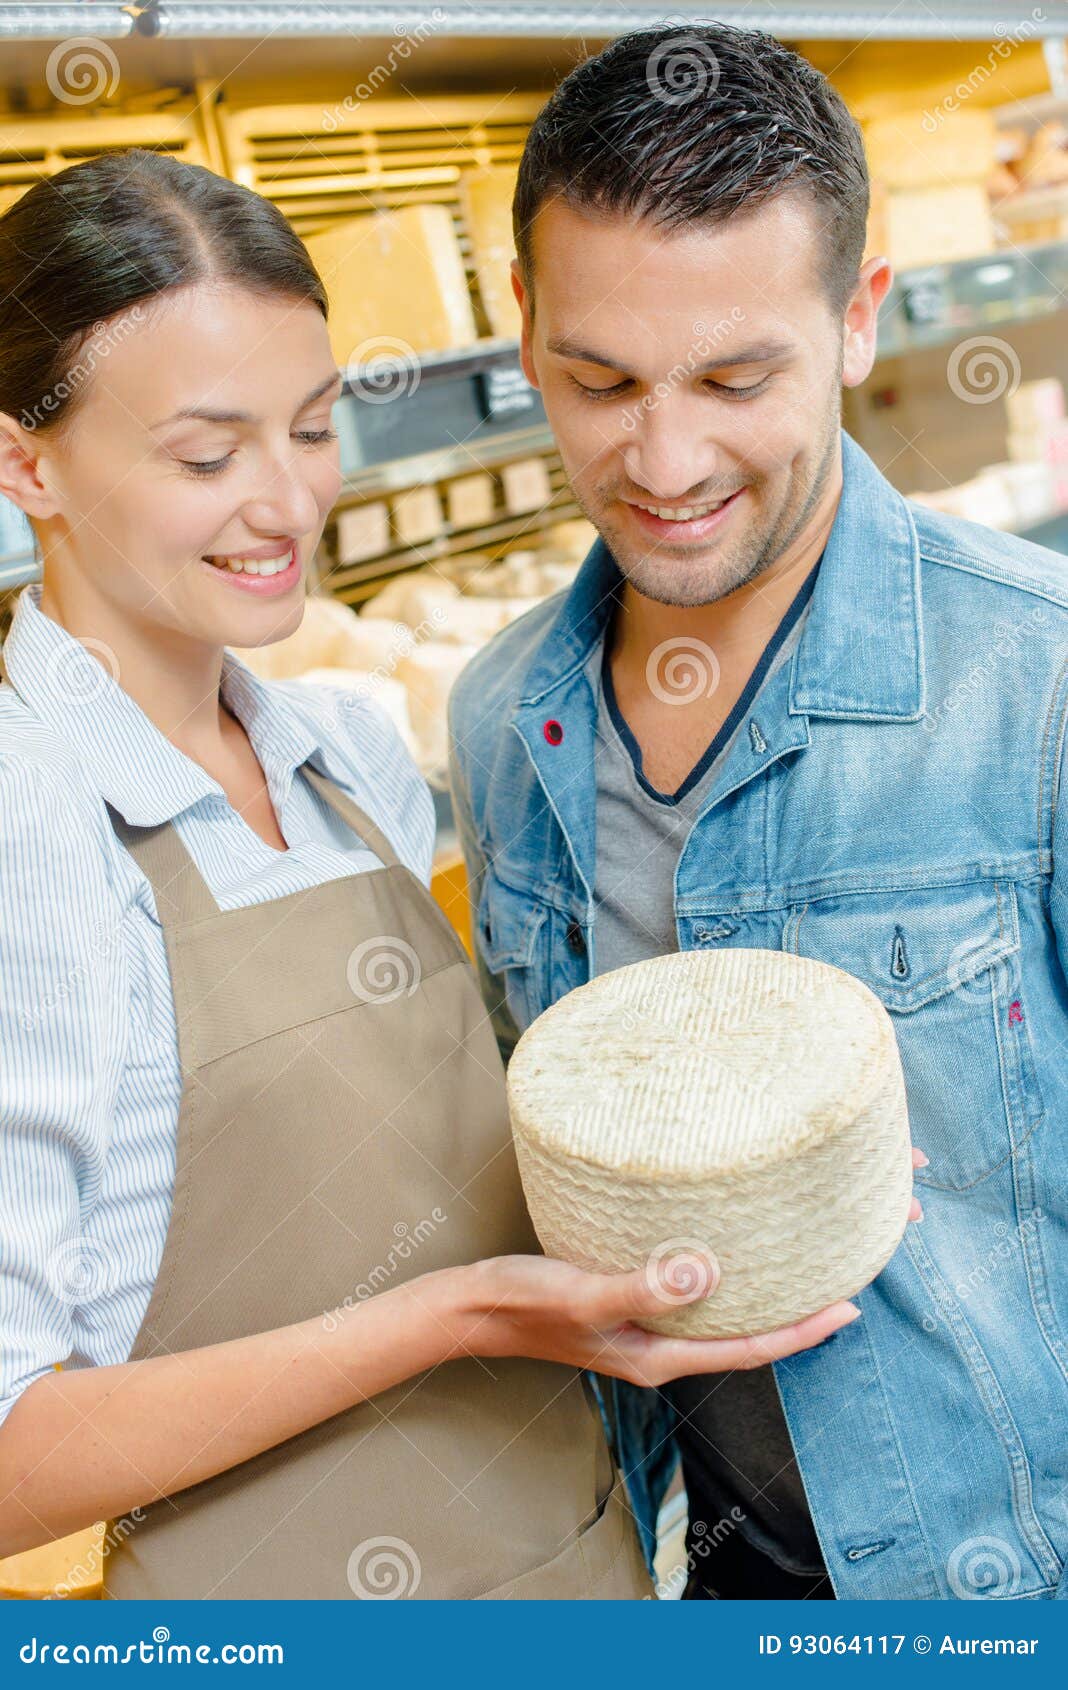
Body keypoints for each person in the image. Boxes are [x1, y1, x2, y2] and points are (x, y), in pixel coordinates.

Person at [0, 148, 864, 1602]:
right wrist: (449, 1316)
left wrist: (760, 1179)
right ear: (27, 462)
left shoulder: (346, 756)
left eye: (314, 427)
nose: (286, 504)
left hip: (574, 1569)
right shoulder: (35, 831)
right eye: (208, 456)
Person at [448, 22, 1068, 1601]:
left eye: (736, 379)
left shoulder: (1037, 683)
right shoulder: (508, 725)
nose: (663, 460)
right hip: (720, 1574)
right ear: (526, 332)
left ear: (858, 320)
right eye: (599, 381)